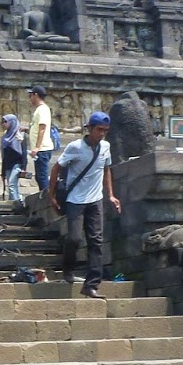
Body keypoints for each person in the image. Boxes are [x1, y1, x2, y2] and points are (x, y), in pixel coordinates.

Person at [47, 111, 122, 296]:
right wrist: (51, 195)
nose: (102, 133)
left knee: (96, 242)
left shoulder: (106, 147)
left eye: (105, 130)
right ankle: (68, 269)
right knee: (74, 238)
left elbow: (106, 170)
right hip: (75, 200)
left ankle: (91, 285)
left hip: (95, 200)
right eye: (99, 129)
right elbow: (57, 168)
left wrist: (110, 195)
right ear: (90, 128)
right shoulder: (76, 147)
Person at [27, 84, 55, 193]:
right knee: (39, 176)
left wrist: (37, 147)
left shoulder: (43, 109)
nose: (30, 98)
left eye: (31, 95)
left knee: (42, 177)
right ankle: (45, 197)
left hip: (42, 149)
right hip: (40, 149)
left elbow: (42, 128)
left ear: (36, 95)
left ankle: (47, 199)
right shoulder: (39, 110)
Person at [0, 113, 26, 203]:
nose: (3, 124)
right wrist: (2, 172)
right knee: (11, 185)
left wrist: (23, 167)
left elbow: (24, 152)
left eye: (5, 122)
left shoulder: (20, 135)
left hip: (17, 163)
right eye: (2, 122)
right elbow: (4, 155)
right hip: (7, 164)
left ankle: (15, 204)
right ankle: (18, 202)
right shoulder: (4, 137)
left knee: (12, 184)